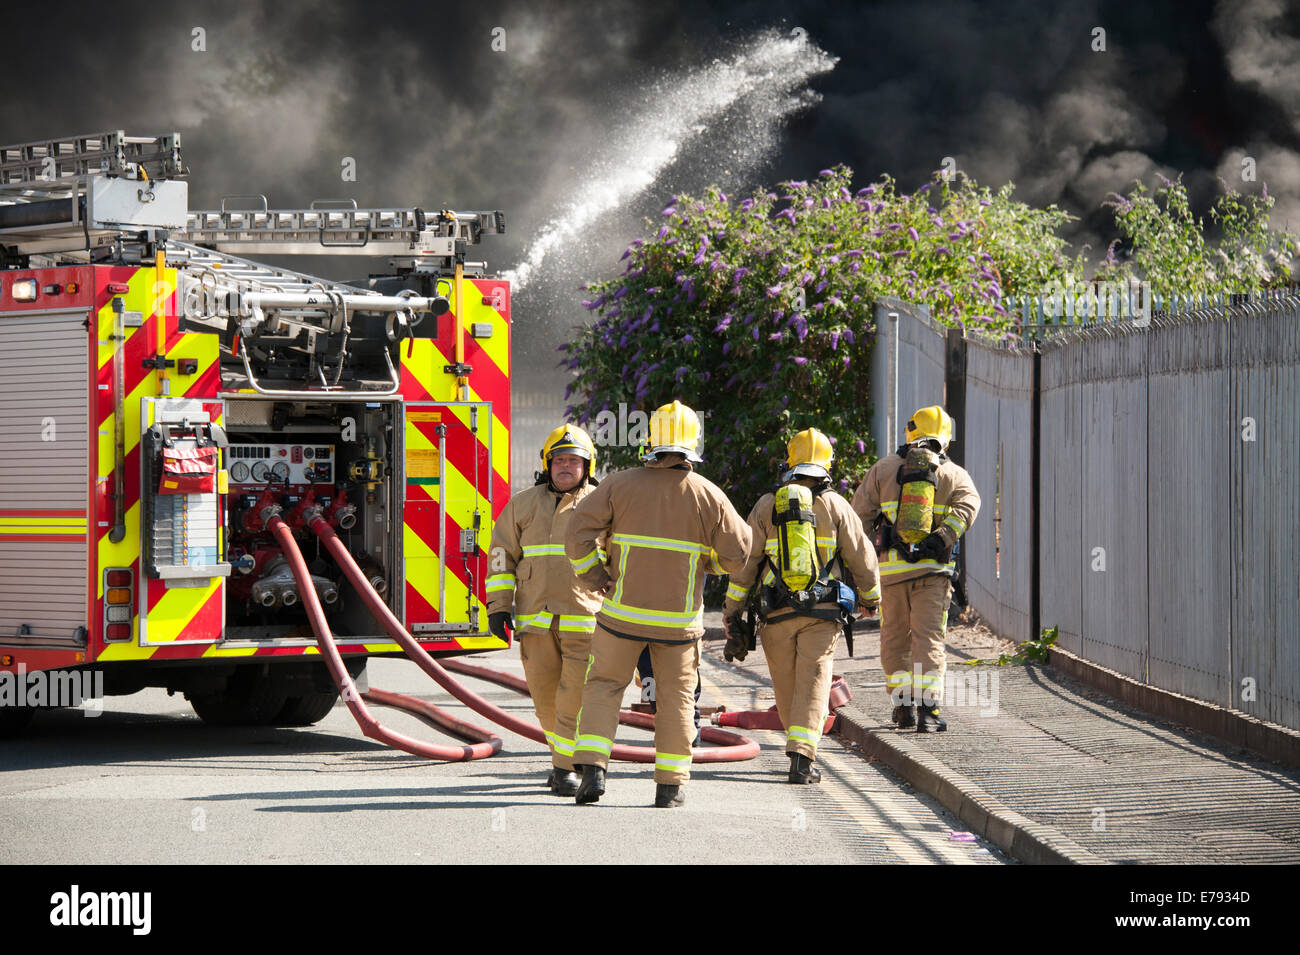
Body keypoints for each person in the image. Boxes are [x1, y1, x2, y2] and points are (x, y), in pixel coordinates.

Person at [565, 400, 751, 808]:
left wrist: (596, 575)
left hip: (620, 618)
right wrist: (708, 563)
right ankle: (669, 787)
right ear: (691, 445)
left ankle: (593, 770)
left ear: (651, 443)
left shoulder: (618, 484)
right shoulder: (709, 496)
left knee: (603, 687)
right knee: (677, 699)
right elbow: (739, 554)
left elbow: (578, 531)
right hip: (677, 626)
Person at [722, 428, 881, 783]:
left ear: (790, 463)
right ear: (827, 465)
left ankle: (797, 746)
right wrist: (871, 599)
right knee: (814, 681)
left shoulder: (767, 505)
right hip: (822, 615)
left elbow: (745, 563)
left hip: (775, 613)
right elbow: (863, 557)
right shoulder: (836, 505)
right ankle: (802, 757)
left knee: (787, 684)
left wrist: (732, 608)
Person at [486, 424, 605, 796]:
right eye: (560, 459)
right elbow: (500, 555)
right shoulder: (523, 503)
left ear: (588, 466)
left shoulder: (604, 505)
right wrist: (498, 606)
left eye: (574, 460)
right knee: (545, 701)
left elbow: (624, 558)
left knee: (577, 697)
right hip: (535, 622)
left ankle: (567, 769)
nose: (566, 466)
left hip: (586, 620)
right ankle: (563, 762)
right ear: (547, 463)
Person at [852, 406, 980, 732]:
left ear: (910, 433)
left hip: (891, 575)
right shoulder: (953, 474)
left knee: (895, 640)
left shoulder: (883, 470)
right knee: (929, 639)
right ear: (945, 439)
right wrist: (943, 536)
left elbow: (857, 520)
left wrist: (860, 570)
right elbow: (970, 505)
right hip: (932, 574)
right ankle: (929, 712)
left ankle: (902, 707)